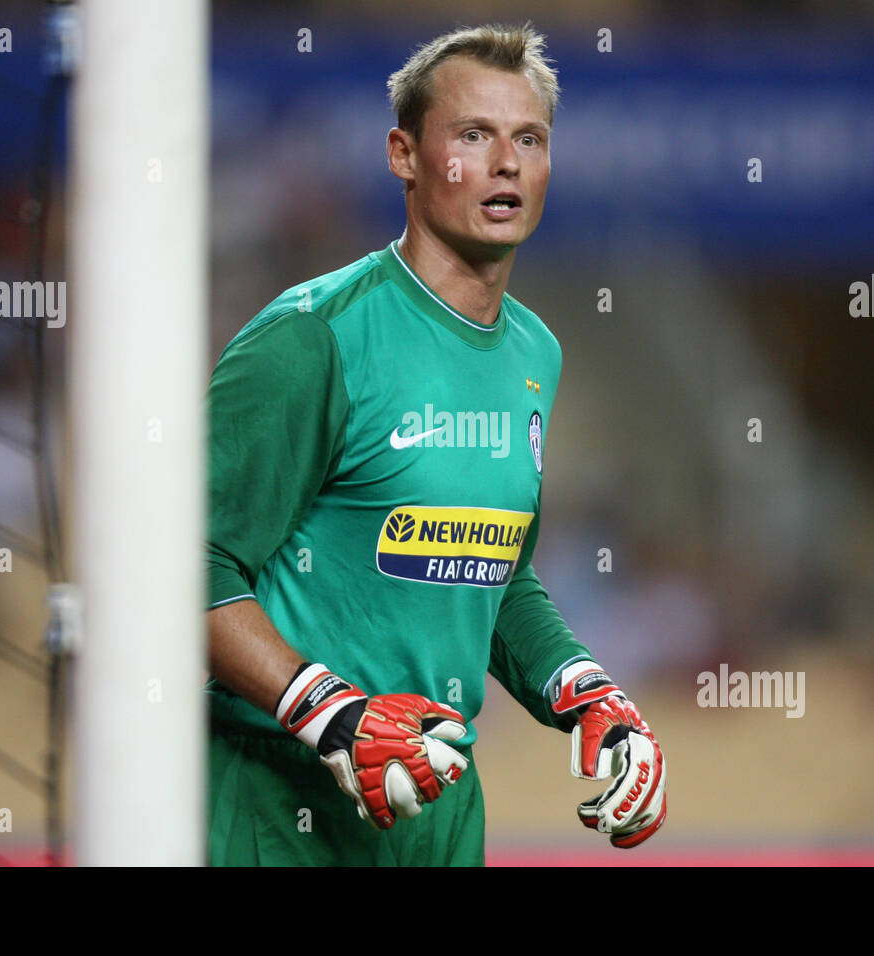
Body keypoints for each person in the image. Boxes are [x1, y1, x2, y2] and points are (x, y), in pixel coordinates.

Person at [205, 22, 666, 866]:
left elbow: (499, 577)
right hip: (282, 800)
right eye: (474, 135)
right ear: (404, 156)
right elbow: (184, 566)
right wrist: (334, 715)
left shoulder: (536, 354)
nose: (506, 162)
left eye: (529, 138)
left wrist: (587, 694)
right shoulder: (315, 338)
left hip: (441, 807)